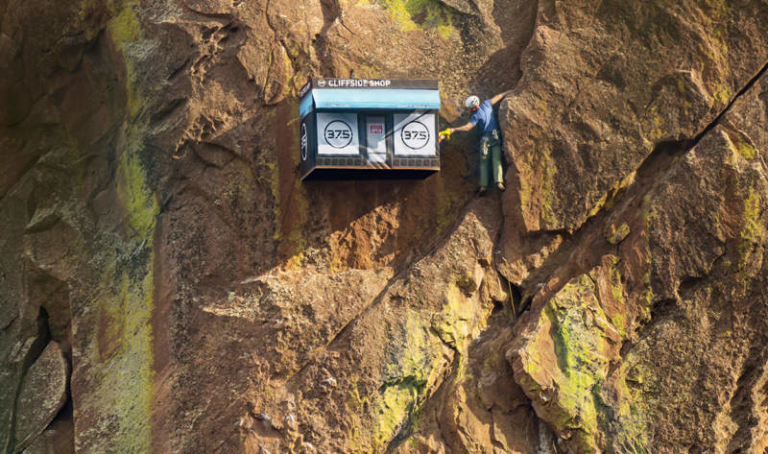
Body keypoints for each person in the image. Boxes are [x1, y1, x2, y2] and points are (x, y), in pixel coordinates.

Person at [440, 92, 509, 194]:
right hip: (495, 136)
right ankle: (499, 182)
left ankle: (483, 186)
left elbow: (468, 127)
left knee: (484, 162)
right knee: (497, 160)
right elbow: (498, 97)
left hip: (485, 139)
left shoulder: (475, 116)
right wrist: (508, 92)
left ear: (472, 108)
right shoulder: (486, 104)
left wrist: (454, 129)